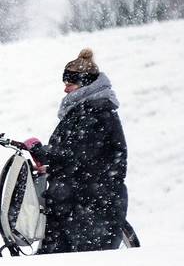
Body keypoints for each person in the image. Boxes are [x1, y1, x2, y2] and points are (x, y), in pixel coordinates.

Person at [33, 48, 128, 253]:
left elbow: (78, 155)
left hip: (91, 205)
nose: (65, 90)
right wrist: (51, 167)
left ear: (85, 84)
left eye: (70, 84)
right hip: (76, 200)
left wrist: (45, 153)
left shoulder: (98, 112)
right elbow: (75, 157)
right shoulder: (81, 111)